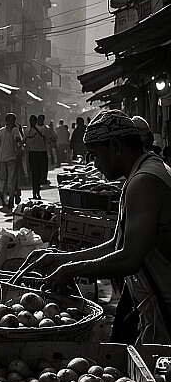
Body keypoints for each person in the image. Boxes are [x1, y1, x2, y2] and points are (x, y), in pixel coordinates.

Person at [25, 110, 171, 345]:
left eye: (95, 155)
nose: (95, 164)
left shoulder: (144, 181)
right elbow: (117, 245)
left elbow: (129, 258)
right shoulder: (141, 174)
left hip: (165, 310)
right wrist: (62, 260)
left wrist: (71, 270)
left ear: (116, 146)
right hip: (155, 309)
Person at [0, 113, 23, 214]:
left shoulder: (14, 130)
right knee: (4, 178)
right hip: (3, 159)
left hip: (10, 158)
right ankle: (3, 197)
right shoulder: (1, 131)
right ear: (7, 121)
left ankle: (10, 199)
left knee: (10, 179)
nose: (12, 122)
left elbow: (18, 141)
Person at [24, 114, 47, 200]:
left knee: (38, 174)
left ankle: (37, 191)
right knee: (34, 174)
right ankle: (35, 192)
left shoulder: (42, 129)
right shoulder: (28, 130)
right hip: (35, 153)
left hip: (38, 153)